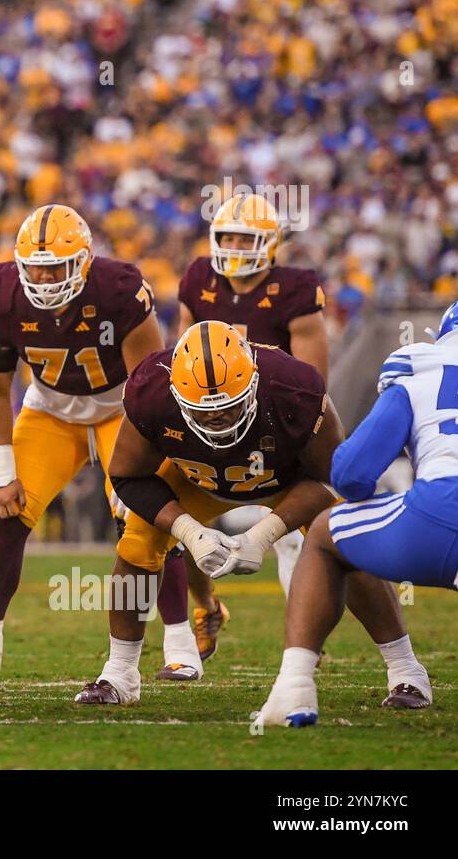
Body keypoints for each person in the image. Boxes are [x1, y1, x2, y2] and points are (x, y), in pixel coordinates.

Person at [77, 321, 430, 707]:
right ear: (176, 394)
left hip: (284, 482)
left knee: (350, 539)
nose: (217, 421)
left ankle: (406, 670)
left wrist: (261, 536)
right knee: (136, 542)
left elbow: (334, 478)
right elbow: (128, 476)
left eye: (228, 408)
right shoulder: (150, 391)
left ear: (255, 383)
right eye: (203, 412)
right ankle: (119, 673)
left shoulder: (295, 389)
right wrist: (190, 531)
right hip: (195, 479)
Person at [0, 204, 162, 678]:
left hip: (123, 410)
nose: (45, 277)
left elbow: (149, 383)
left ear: (84, 262)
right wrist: (1, 475)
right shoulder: (2, 294)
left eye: (56, 266)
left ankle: (175, 647)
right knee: (9, 514)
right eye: (35, 266)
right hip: (51, 410)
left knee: (147, 521)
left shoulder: (117, 290)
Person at [259, 302, 458, 726]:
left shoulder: (422, 368)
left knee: (325, 534)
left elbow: (350, 474)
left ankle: (295, 685)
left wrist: (371, 496)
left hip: (438, 516)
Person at [158, 192, 330, 675]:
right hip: (208, 426)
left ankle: (305, 643)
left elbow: (313, 385)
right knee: (180, 527)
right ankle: (206, 606)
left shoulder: (295, 290)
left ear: (271, 244)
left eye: (245, 238)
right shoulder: (199, 280)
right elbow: (182, 355)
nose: (234, 246)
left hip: (273, 432)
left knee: (304, 535)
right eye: (227, 236)